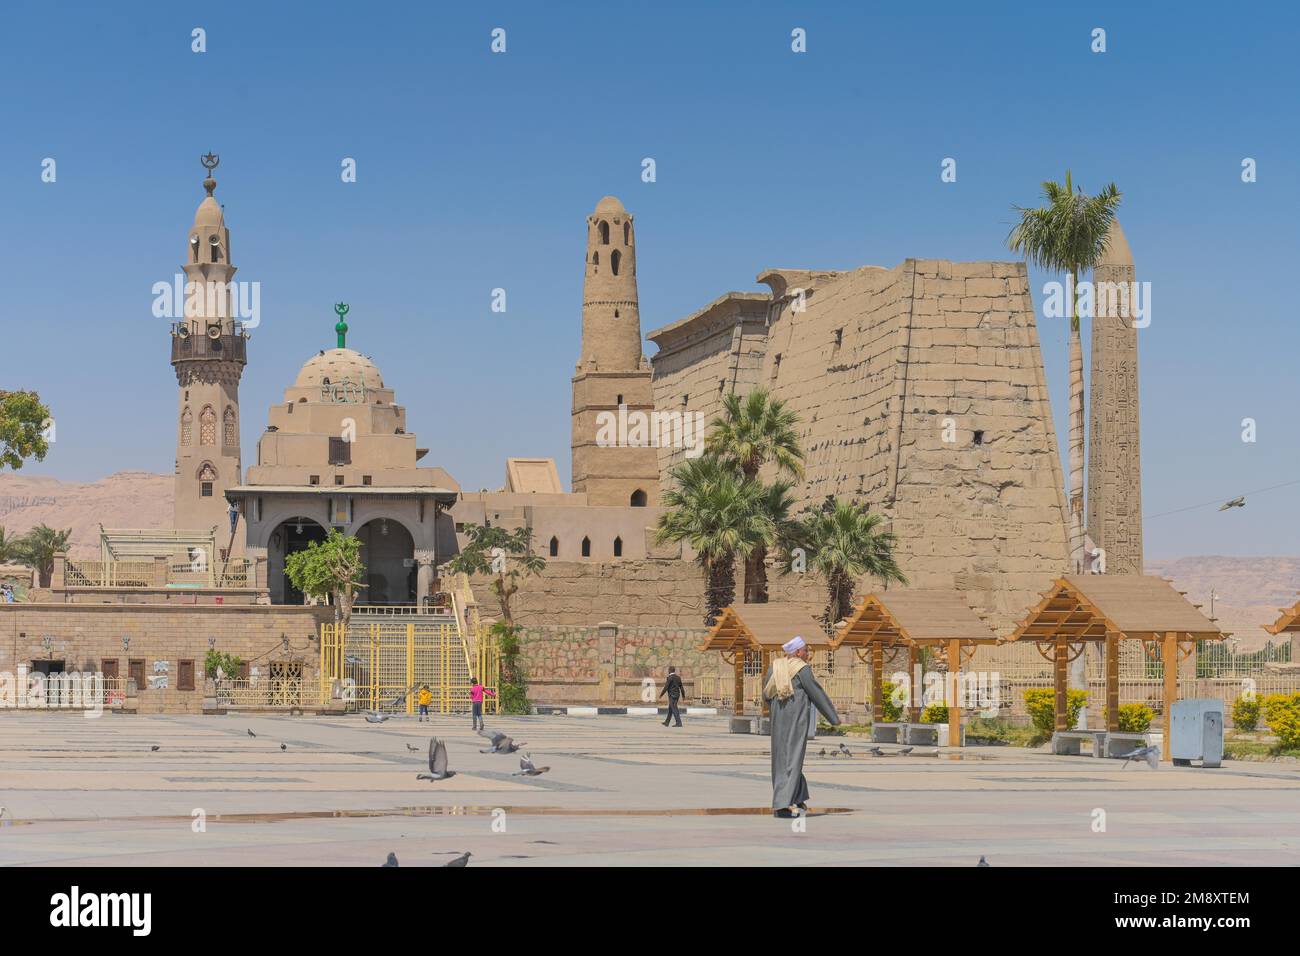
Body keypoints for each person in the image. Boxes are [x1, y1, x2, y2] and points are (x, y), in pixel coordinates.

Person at [763, 635, 840, 818]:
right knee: (792, 757)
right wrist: (833, 718)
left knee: (784, 757)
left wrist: (777, 711)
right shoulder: (801, 669)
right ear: (797, 652)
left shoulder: (774, 667)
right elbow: (815, 692)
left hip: (778, 718)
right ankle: (782, 805)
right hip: (795, 718)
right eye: (806, 650)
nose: (808, 654)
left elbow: (766, 694)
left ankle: (798, 796)